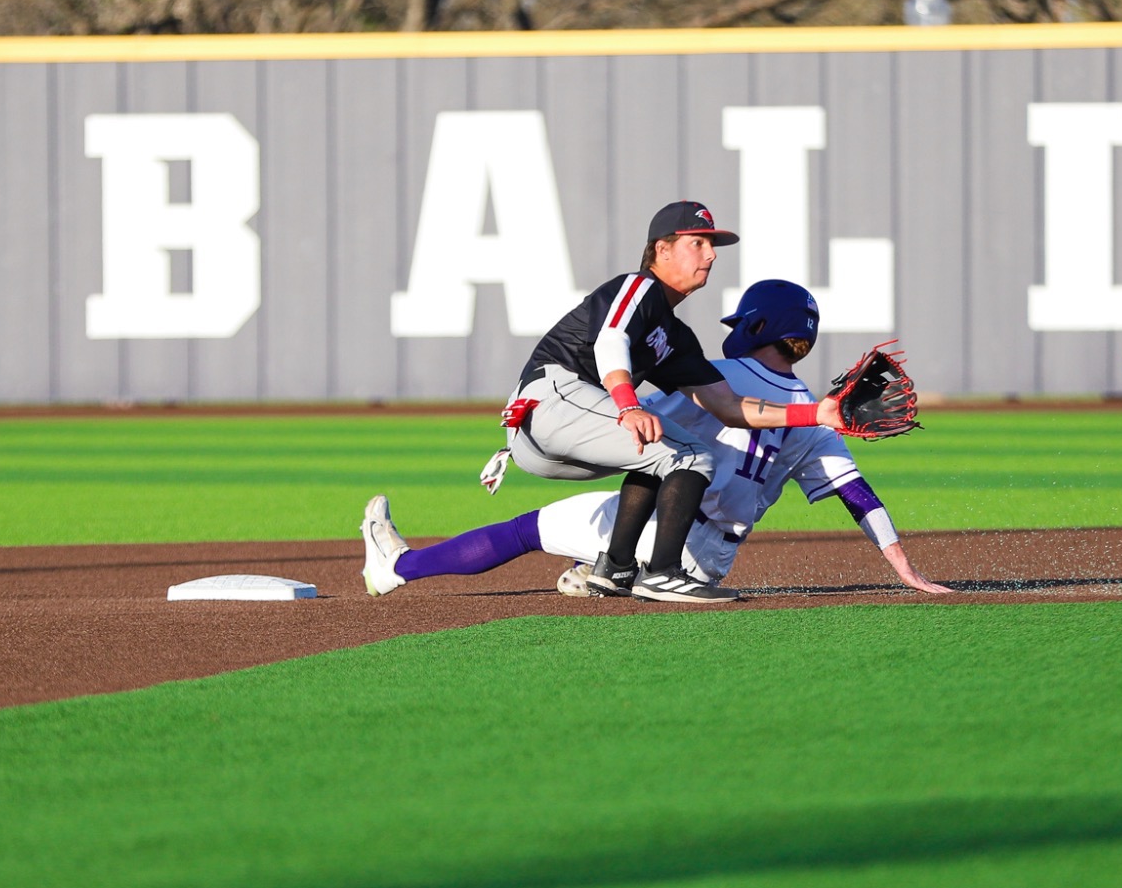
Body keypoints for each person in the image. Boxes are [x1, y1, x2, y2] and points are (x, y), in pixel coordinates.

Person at [360, 280, 950, 601]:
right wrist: (905, 569)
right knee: (648, 481)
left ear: (757, 327)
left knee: (525, 530)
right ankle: (604, 568)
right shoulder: (818, 417)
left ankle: (399, 567)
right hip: (713, 561)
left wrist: (528, 440)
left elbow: (626, 426)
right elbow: (857, 496)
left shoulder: (718, 376)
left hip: (667, 531)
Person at [475, 202, 848, 604]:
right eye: (698, 243)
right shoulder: (639, 288)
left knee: (662, 452)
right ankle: (662, 573)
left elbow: (728, 406)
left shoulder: (676, 338)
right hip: (551, 399)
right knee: (692, 456)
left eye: (712, 245)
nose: (711, 254)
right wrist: (628, 405)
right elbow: (611, 340)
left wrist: (817, 413)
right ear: (662, 249)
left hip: (556, 430)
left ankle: (616, 567)